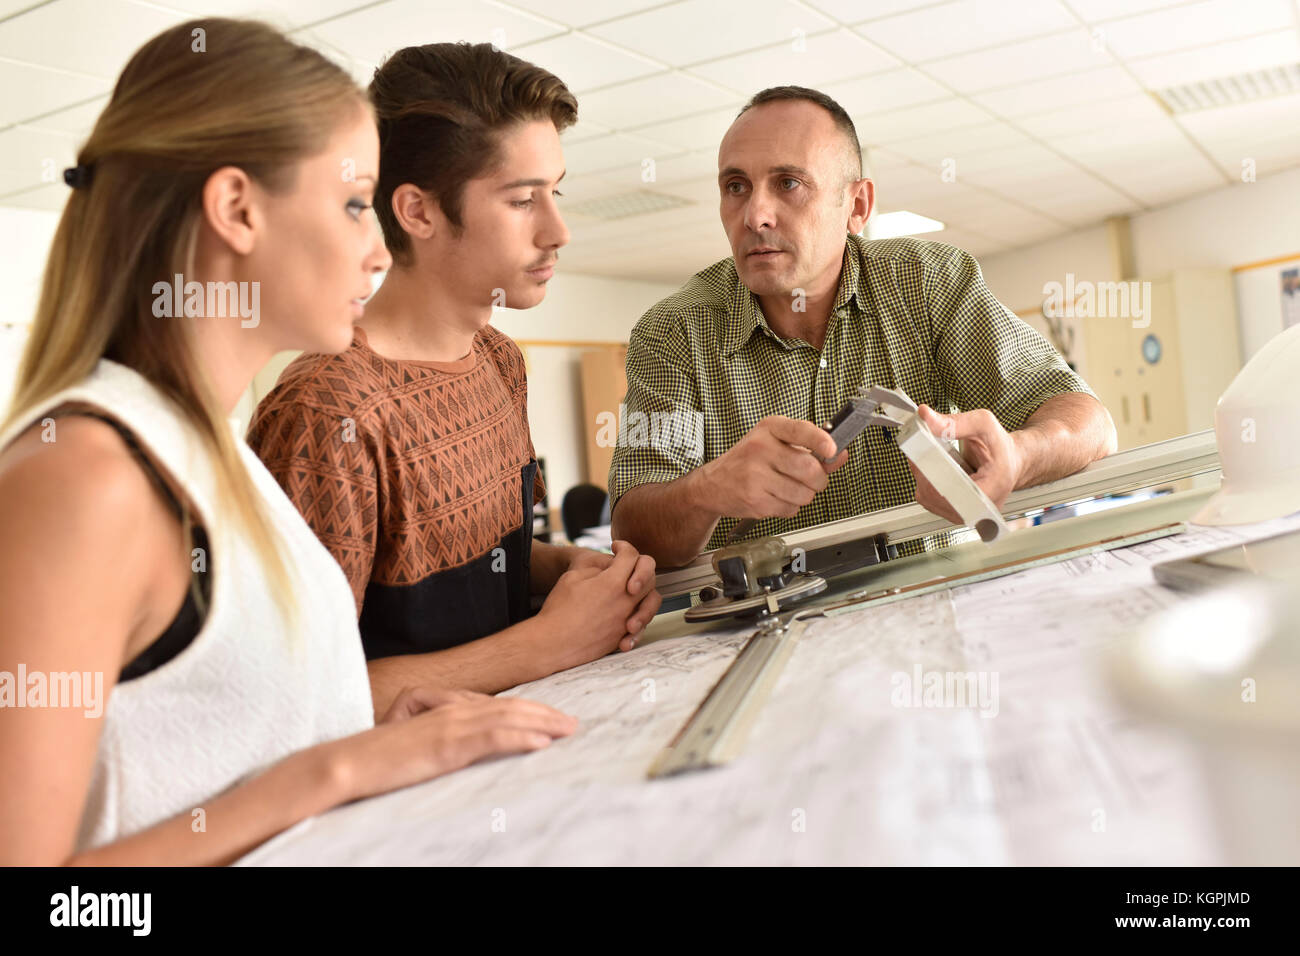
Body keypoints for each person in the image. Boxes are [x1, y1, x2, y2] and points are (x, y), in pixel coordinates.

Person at [0, 19, 576, 867]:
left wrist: (356, 725)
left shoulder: (217, 455)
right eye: (352, 204)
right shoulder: (88, 474)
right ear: (237, 209)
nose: (380, 248)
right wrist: (334, 769)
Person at [247, 43, 660, 713]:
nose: (559, 231)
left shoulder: (499, 359)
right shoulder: (329, 412)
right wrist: (549, 643)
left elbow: (462, 580)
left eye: (555, 193)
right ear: (418, 212)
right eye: (524, 200)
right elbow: (295, 702)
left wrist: (563, 571)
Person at [610, 86, 1117, 567]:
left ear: (857, 206)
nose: (755, 214)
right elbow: (633, 529)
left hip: (935, 603)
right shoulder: (673, 332)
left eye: (788, 183)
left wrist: (1019, 455)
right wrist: (710, 488)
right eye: (736, 187)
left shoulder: (926, 282)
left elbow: (1090, 424)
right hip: (763, 632)